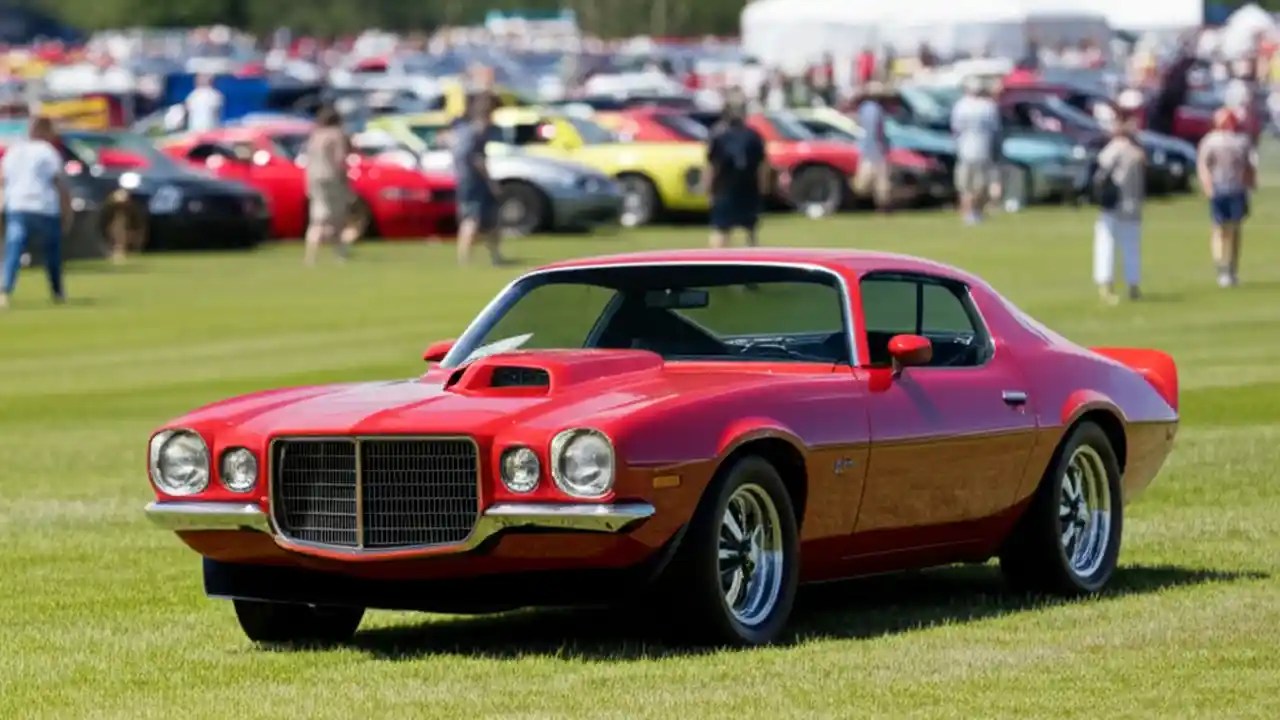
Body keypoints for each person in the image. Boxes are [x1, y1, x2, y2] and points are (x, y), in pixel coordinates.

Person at [0, 116, 72, 310]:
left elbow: (3, 179)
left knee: (13, 250)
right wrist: (67, 211)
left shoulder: (13, 151)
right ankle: (58, 291)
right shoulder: (48, 152)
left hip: (17, 204)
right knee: (52, 253)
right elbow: (59, 184)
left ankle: (5, 291)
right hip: (44, 206)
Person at [1196, 108, 1256, 288]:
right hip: (1223, 189)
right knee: (1224, 229)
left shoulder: (1238, 141)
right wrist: (1207, 185)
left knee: (1229, 229)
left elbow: (1248, 166)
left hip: (1233, 189)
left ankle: (1229, 268)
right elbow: (1205, 166)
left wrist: (1250, 183)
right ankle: (1224, 267)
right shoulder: (1215, 142)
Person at [1091, 114, 1147, 304]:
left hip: (1112, 204)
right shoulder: (1137, 152)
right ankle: (1133, 286)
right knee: (1131, 247)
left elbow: (1099, 173)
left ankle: (1106, 286)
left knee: (1106, 244)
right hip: (1132, 205)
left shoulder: (1112, 149)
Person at [704, 92, 768, 248]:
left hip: (724, 189)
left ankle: (715, 263)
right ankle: (754, 263)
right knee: (750, 231)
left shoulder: (718, 135)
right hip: (748, 188)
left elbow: (712, 166)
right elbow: (762, 166)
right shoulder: (754, 136)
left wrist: (708, 190)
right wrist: (763, 190)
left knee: (720, 229)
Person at [452, 93, 506, 265]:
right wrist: (491, 182)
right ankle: (468, 259)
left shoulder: (463, 129)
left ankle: (490, 256)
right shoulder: (478, 131)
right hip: (476, 181)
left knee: (478, 218)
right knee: (475, 219)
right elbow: (477, 159)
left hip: (464, 180)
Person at [302, 104, 354, 266]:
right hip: (332, 178)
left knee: (317, 219)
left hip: (313, 178)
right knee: (336, 218)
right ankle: (340, 254)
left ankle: (310, 256)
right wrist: (345, 180)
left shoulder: (315, 136)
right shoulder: (336, 135)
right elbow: (340, 159)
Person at [950, 77, 1001, 225]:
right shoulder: (989, 106)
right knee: (980, 185)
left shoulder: (960, 106)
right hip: (983, 150)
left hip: (964, 150)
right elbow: (995, 130)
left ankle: (966, 213)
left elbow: (955, 129)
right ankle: (975, 212)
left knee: (965, 186)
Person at [852, 85, 892, 211]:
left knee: (865, 181)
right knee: (881, 181)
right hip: (876, 149)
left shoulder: (863, 109)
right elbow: (878, 131)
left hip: (865, 149)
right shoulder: (877, 110)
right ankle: (882, 207)